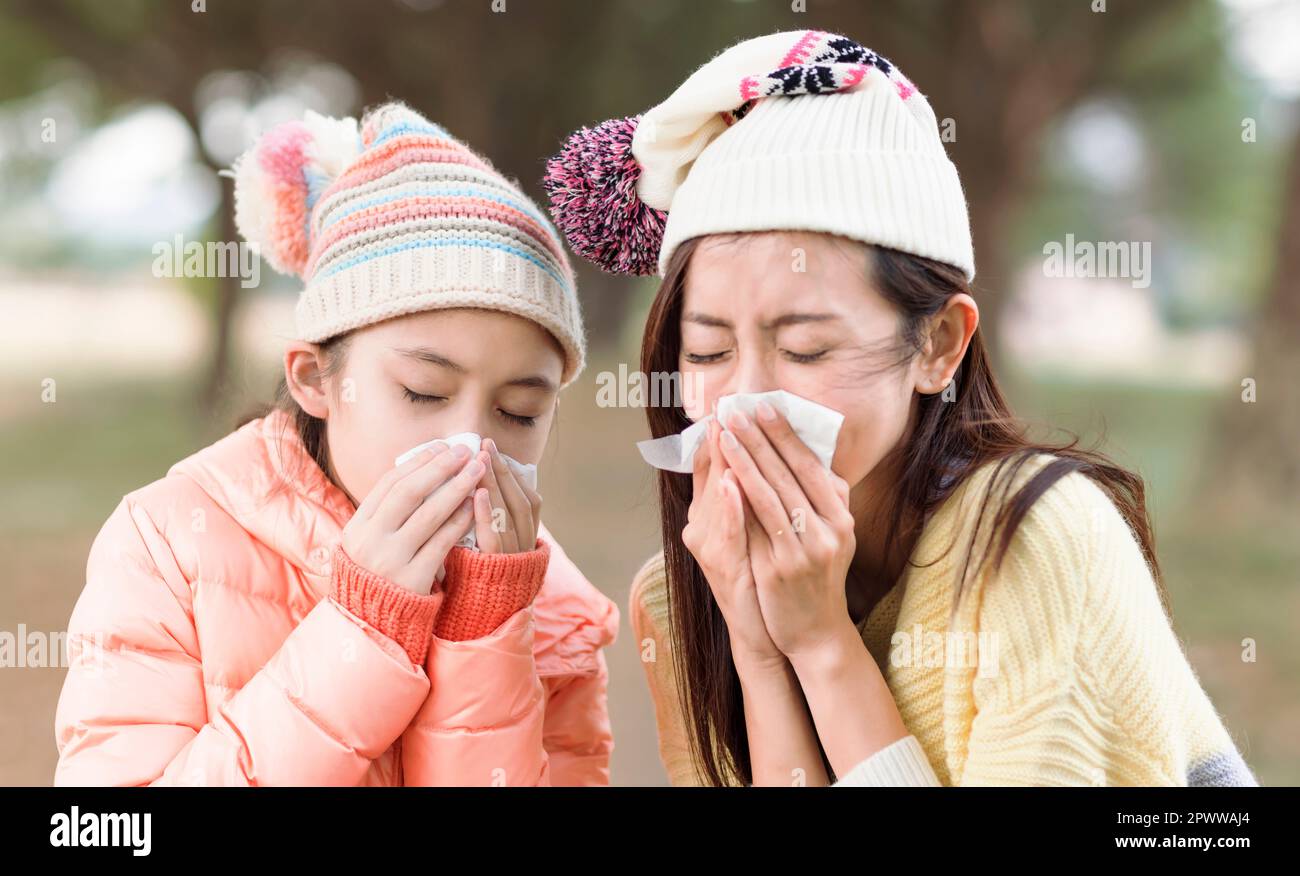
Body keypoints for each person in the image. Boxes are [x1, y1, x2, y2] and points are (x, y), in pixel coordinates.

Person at [545, 29, 1258, 786]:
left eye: (806, 349)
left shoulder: (1033, 542)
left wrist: (821, 644)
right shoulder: (686, 591)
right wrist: (759, 652)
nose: (745, 401)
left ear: (938, 347)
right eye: (710, 353)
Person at [53, 101, 618, 786]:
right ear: (316, 378)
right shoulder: (166, 546)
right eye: (423, 393)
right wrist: (362, 631)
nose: (472, 446)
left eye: (519, 411)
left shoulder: (555, 607)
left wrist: (486, 640)